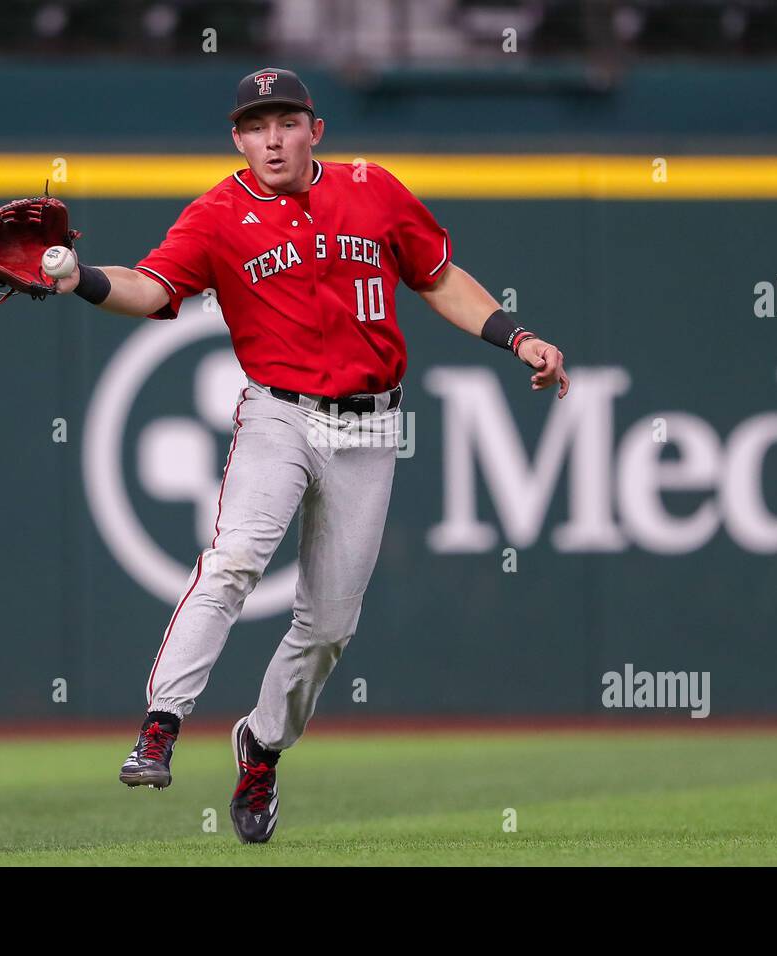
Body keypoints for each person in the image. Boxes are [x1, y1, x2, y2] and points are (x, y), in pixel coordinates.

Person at [54, 67, 569, 843]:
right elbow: (153, 287)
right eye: (256, 124)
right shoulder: (219, 215)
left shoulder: (374, 189)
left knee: (329, 625)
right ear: (237, 137)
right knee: (234, 560)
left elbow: (437, 278)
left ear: (314, 129)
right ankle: (162, 724)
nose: (271, 137)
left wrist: (518, 336)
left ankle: (260, 745)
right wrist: (82, 281)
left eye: (286, 121)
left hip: (370, 427)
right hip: (279, 414)